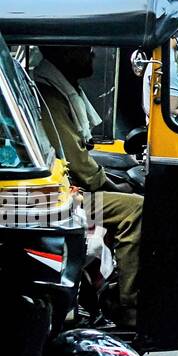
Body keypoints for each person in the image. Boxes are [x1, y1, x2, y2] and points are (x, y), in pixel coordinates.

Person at [32, 45, 144, 328]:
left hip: (60, 188)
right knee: (136, 209)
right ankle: (130, 305)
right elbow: (81, 167)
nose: (92, 55)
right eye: (87, 50)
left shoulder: (61, 90)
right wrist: (119, 187)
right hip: (54, 197)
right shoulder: (50, 96)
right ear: (66, 54)